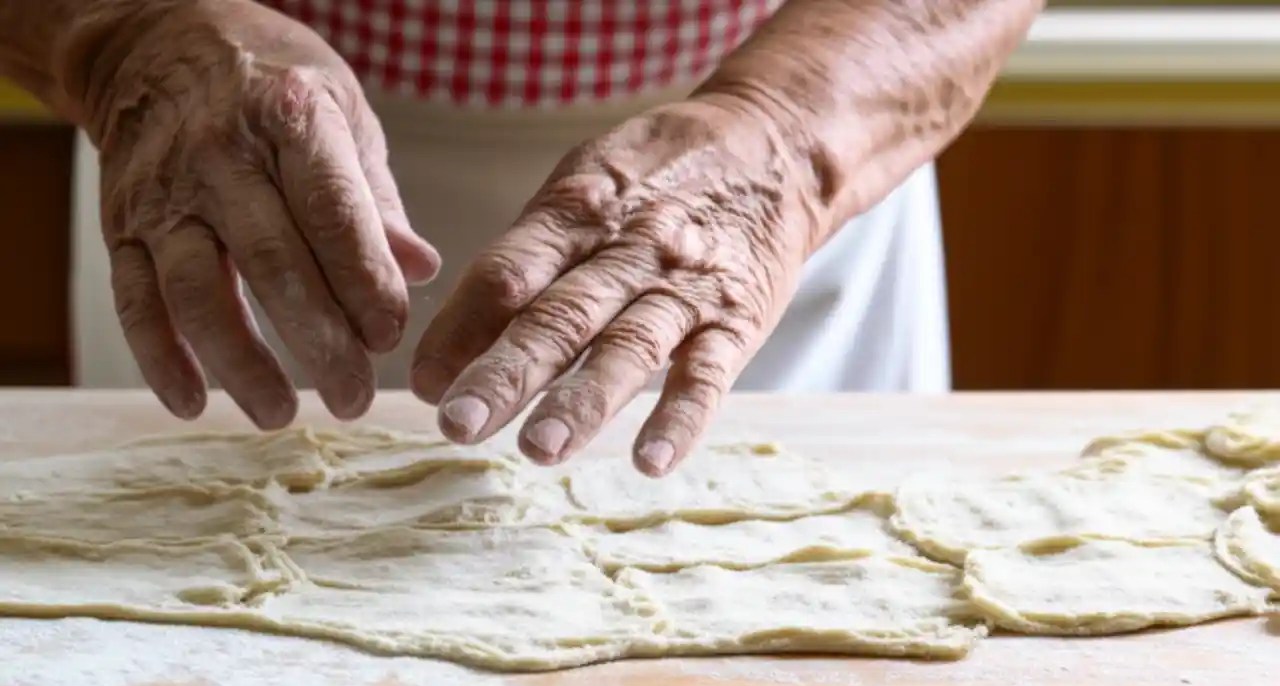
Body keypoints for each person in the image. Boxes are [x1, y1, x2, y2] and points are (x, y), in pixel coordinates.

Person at [0, 0, 1042, 475]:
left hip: (776, 149)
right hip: (237, 143)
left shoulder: (781, 147)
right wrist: (116, 33)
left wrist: (785, 140)